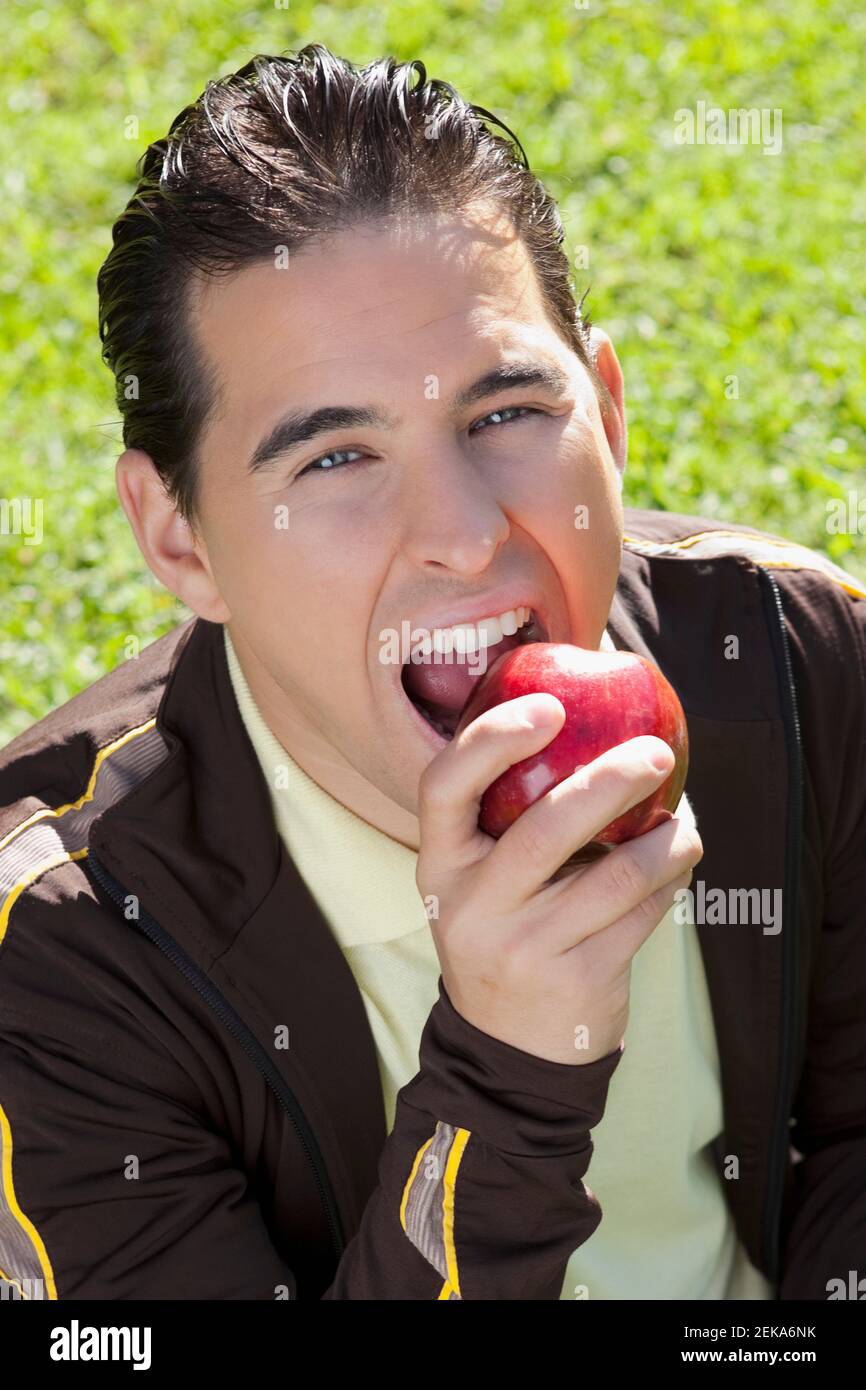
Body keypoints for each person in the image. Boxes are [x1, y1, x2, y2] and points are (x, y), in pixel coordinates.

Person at [0, 43, 863, 1302]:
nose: (461, 531)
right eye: (335, 459)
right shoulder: (59, 955)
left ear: (609, 420)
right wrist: (511, 1068)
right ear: (180, 537)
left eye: (505, 413)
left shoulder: (794, 667)